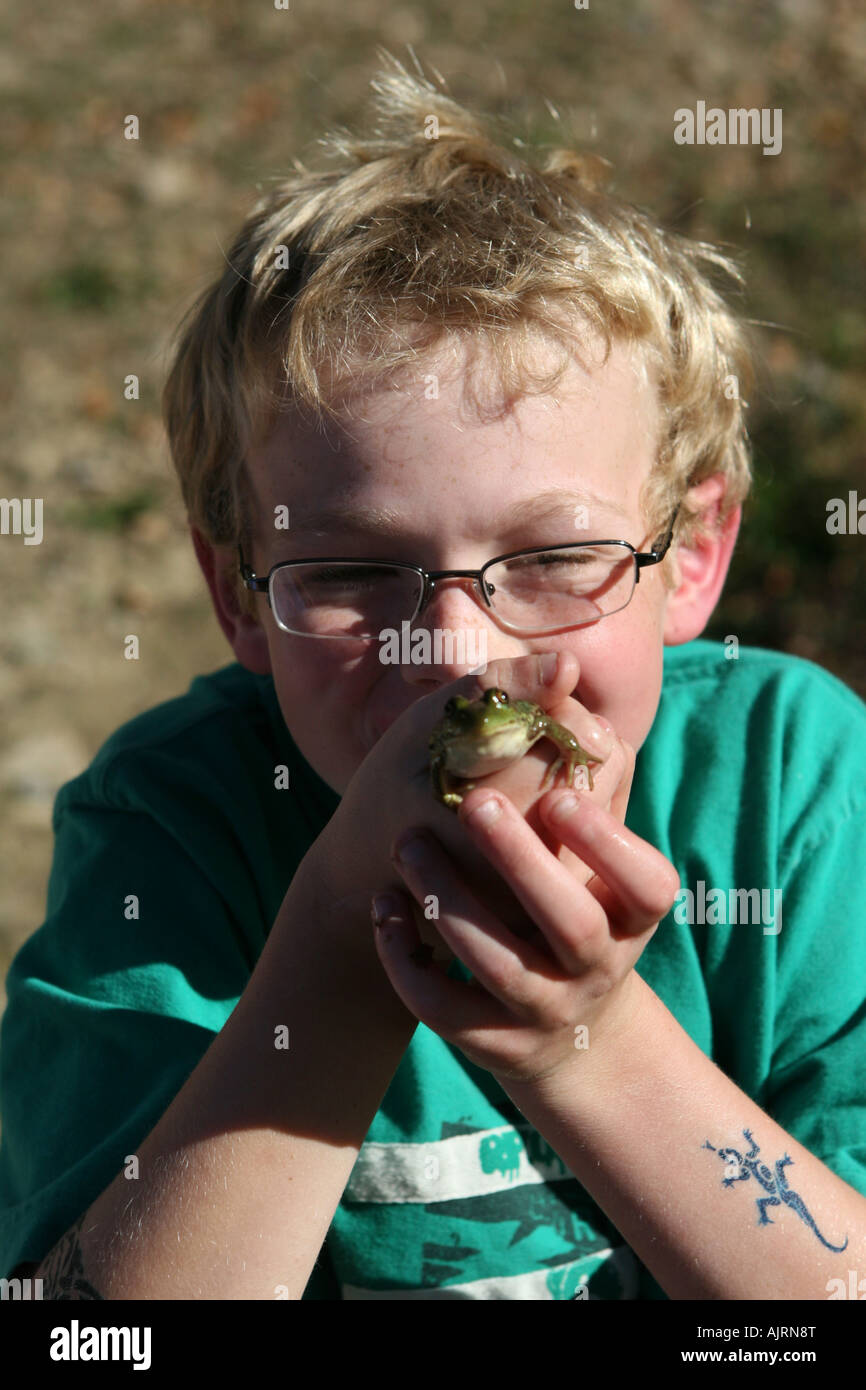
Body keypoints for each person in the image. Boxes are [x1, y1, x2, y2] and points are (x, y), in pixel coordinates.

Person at [1, 56, 865, 1301]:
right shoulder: (169, 831)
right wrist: (338, 952)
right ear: (237, 590)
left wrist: (587, 1043)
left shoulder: (793, 788)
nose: (451, 655)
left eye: (558, 557)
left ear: (694, 555)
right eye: (353, 572)